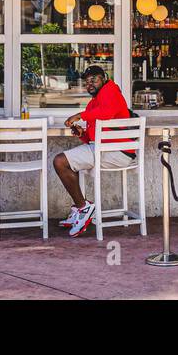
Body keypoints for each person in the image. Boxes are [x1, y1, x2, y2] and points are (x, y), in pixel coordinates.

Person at [52, 66, 133, 238]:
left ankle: (83, 208)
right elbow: (94, 135)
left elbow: (107, 112)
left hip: (116, 151)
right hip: (106, 149)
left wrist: (80, 115)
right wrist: (82, 134)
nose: (90, 84)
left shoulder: (110, 90)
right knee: (69, 163)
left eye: (94, 80)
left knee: (60, 162)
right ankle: (80, 208)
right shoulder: (93, 102)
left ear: (104, 78)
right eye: (87, 82)